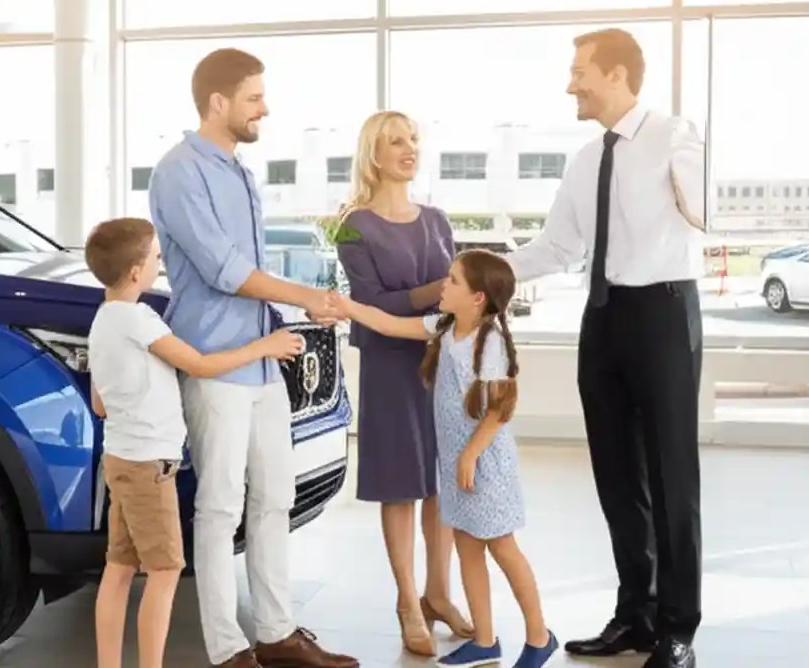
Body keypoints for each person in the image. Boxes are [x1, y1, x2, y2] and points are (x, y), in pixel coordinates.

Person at [147, 47, 358, 668]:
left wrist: (294, 310)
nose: (265, 107)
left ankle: (276, 633)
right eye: (254, 97)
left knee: (274, 498)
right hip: (215, 358)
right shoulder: (179, 171)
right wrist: (306, 297)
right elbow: (224, 270)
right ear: (219, 102)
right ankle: (227, 649)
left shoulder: (240, 171)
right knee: (218, 507)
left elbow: (252, 273)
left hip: (264, 363)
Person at [503, 28, 706, 668]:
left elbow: (705, 212)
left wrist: (691, 156)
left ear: (616, 74)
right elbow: (557, 249)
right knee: (617, 476)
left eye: (580, 71)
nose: (570, 83)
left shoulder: (674, 135)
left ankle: (678, 629)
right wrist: (485, 270)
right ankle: (636, 615)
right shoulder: (587, 158)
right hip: (604, 317)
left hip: (665, 312)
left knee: (672, 476)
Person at [84, 217, 306, 668]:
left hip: (121, 459)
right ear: (134, 271)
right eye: (155, 258)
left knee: (120, 567)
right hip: (150, 466)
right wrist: (265, 347)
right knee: (164, 571)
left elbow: (100, 402)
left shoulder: (103, 320)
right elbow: (201, 364)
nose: (158, 266)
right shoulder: (140, 320)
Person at [329, 250, 558, 668]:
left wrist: (470, 455)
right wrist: (347, 307)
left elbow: (500, 410)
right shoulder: (446, 328)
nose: (443, 286)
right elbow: (389, 323)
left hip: (484, 465)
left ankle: (539, 636)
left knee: (503, 548)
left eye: (452, 281)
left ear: (477, 298)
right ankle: (485, 640)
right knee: (468, 549)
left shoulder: (489, 342)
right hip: (457, 464)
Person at [331, 110, 471, 656]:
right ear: (374, 154)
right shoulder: (352, 224)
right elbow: (369, 305)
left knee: (440, 483)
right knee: (401, 485)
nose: (409, 148)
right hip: (391, 366)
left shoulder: (437, 219)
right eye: (395, 141)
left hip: (443, 365)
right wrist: (435, 290)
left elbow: (458, 297)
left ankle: (440, 593)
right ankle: (408, 602)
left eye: (413, 139)